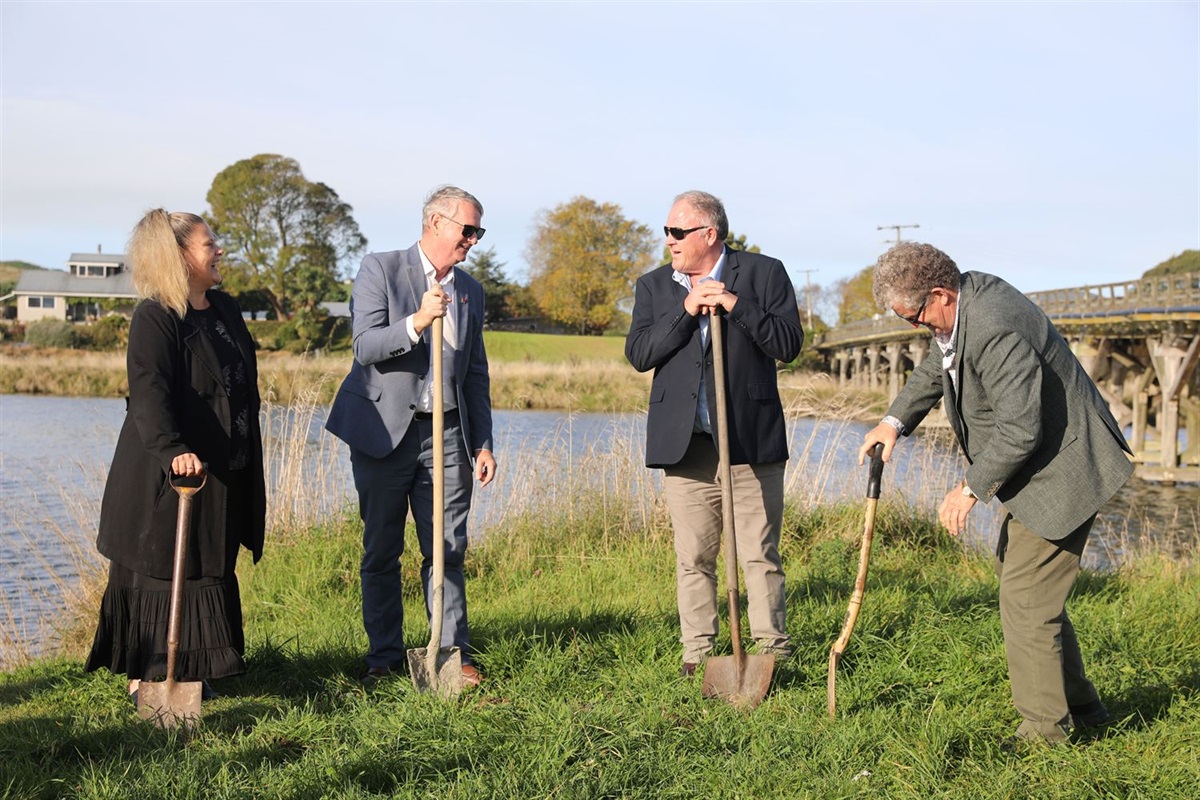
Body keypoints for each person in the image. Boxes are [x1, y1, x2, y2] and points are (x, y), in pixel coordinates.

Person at [858, 242, 1133, 744]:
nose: (915, 327)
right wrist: (893, 422)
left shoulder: (994, 325)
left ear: (940, 293)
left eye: (915, 317)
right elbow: (935, 367)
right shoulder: (960, 305)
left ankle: (1045, 733)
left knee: (1027, 600)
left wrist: (968, 488)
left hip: (1065, 466)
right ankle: (1084, 708)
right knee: (1029, 591)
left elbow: (1021, 429)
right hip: (1037, 467)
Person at [85, 209, 266, 703]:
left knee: (208, 565)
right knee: (161, 569)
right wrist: (173, 450)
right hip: (167, 471)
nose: (219, 250)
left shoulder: (226, 309)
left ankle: (193, 668)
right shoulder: (155, 316)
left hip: (223, 467)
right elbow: (148, 392)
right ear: (180, 256)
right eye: (210, 244)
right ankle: (147, 671)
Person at [625, 190, 804, 677]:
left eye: (678, 232)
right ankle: (698, 654)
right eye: (665, 231)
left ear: (710, 234)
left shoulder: (764, 274)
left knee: (760, 554)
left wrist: (732, 303)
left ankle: (772, 653)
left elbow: (788, 344)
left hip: (750, 441)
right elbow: (640, 354)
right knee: (694, 557)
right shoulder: (655, 286)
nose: (669, 241)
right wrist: (686, 309)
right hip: (687, 445)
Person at [326, 185, 496, 687]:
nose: (473, 240)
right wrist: (418, 322)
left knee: (446, 547)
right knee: (381, 549)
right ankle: (383, 657)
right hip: (384, 432)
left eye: (478, 232)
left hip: (447, 436)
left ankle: (450, 652)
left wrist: (482, 441)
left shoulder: (470, 289)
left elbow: (476, 373)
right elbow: (365, 347)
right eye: (468, 230)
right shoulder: (380, 268)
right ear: (436, 222)